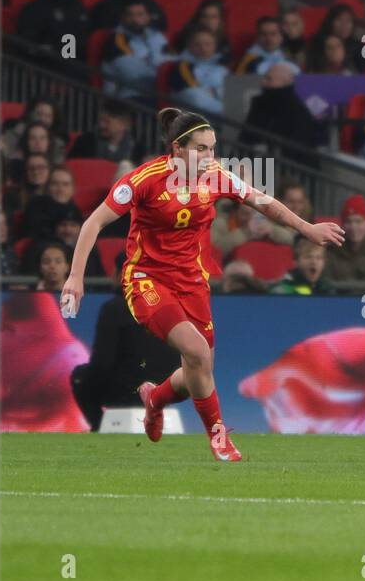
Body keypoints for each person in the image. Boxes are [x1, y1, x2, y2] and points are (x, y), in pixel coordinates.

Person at [61, 108, 344, 461]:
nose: (209, 157)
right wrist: (75, 277)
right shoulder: (143, 180)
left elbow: (264, 202)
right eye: (201, 149)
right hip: (147, 279)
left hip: (193, 281)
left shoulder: (216, 176)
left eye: (212, 148)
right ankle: (218, 435)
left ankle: (156, 398)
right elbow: (93, 223)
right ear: (178, 148)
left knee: (199, 369)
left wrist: (307, 228)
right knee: (195, 352)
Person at [70, 265, 181, 431]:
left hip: (126, 391)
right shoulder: (172, 304)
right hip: (169, 389)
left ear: (119, 275)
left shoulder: (113, 308)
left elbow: (102, 362)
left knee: (80, 376)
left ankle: (100, 427)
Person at [69, 100, 139, 164]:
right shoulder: (85, 141)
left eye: (107, 122)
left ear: (124, 124)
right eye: (100, 121)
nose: (101, 125)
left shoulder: (136, 148)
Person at [271, 237, 338, 295]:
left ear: (324, 262)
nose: (314, 262)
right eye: (308, 257)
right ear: (296, 261)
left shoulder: (328, 288)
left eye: (319, 258)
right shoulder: (284, 286)